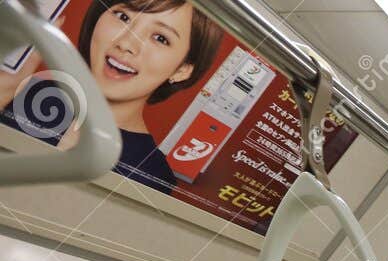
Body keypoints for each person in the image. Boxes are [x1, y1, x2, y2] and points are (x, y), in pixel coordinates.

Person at [0, 1, 223, 193]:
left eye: (160, 38)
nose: (126, 43)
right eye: (123, 16)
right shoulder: (21, 93)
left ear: (182, 69)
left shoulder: (151, 176)